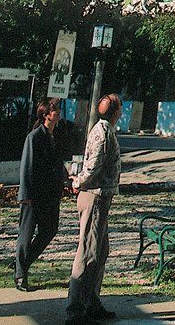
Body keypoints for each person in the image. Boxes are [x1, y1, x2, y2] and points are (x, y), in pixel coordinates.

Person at [65, 94, 122, 325]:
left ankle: (91, 303)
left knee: (100, 253)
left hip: (101, 198)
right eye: (120, 104)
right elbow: (92, 167)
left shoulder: (107, 130)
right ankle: (76, 310)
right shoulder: (102, 133)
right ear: (116, 111)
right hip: (94, 198)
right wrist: (77, 183)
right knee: (88, 253)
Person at [14, 98, 67, 291]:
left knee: (50, 229)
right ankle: (20, 275)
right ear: (45, 115)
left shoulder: (56, 136)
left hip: (51, 194)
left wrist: (65, 183)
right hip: (34, 195)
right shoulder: (34, 137)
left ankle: (22, 263)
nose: (58, 112)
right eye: (54, 110)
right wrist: (25, 194)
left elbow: (59, 164)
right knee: (26, 234)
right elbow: (27, 167)